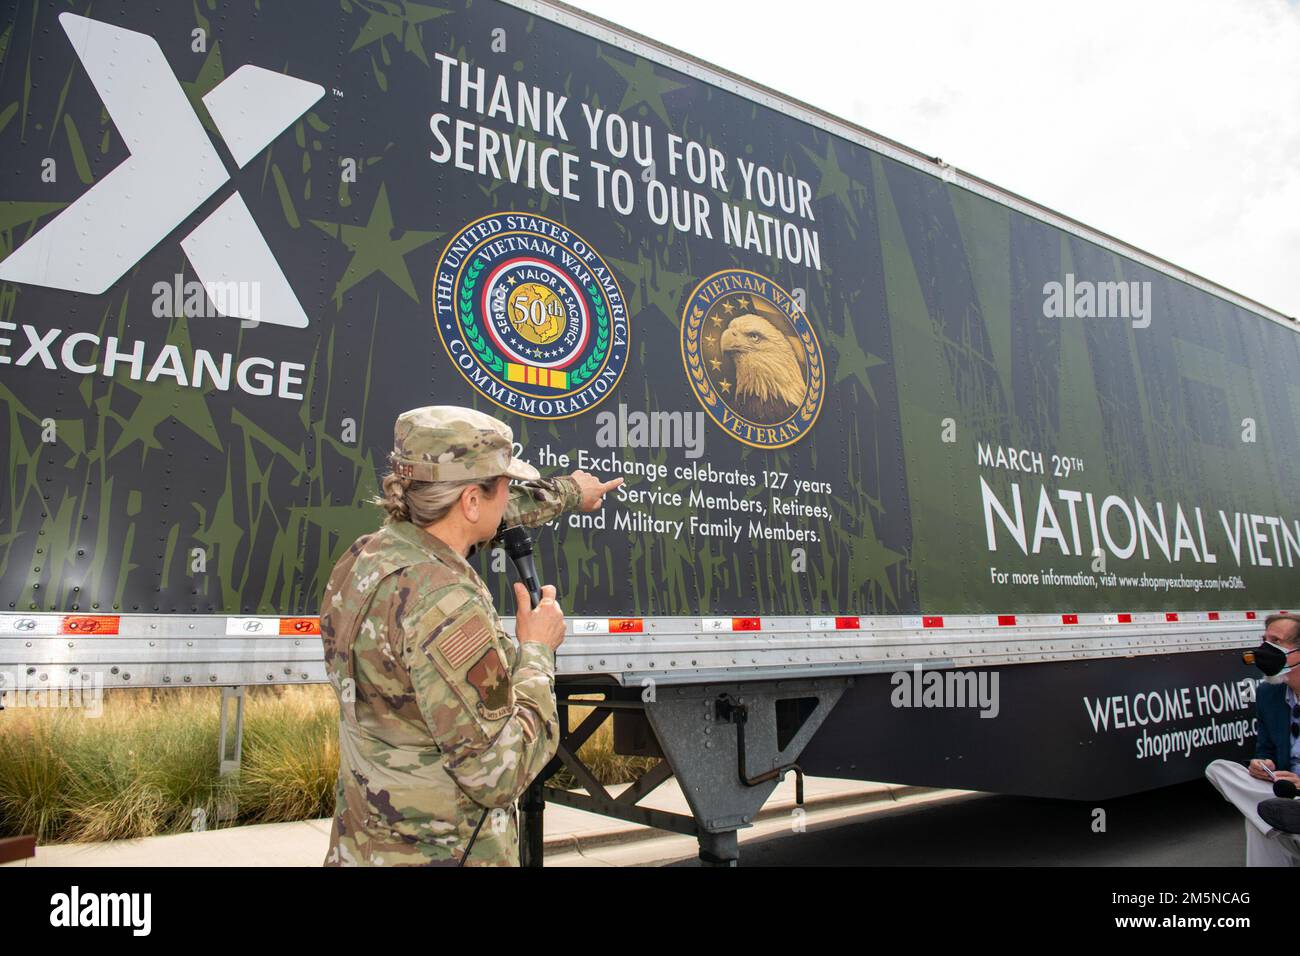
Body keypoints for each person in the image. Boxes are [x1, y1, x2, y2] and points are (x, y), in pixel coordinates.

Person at [319, 405, 622, 866]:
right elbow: (498, 772)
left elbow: (486, 514)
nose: (510, 499)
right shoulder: (445, 604)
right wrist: (537, 650)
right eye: (504, 485)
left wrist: (566, 493)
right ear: (471, 501)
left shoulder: (366, 558)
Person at [1205, 611, 1300, 866]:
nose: (1264, 649)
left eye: (1276, 642)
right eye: (1264, 639)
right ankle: (1290, 816)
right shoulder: (1269, 693)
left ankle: (1287, 816)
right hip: (1284, 791)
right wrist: (1262, 764)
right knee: (1218, 770)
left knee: (1260, 819)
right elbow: (1265, 748)